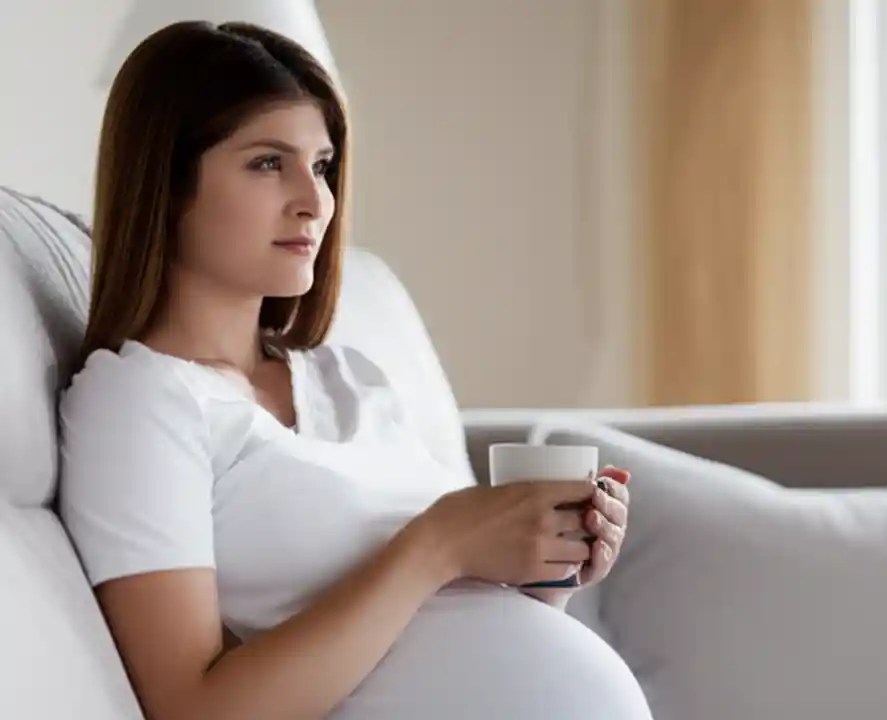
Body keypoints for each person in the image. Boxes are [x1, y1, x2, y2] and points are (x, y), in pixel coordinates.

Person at [57, 21, 651, 720]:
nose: (315, 200)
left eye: (323, 164)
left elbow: (451, 626)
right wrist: (438, 542)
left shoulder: (348, 378)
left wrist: (546, 569)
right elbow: (194, 708)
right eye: (267, 163)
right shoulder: (139, 401)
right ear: (168, 185)